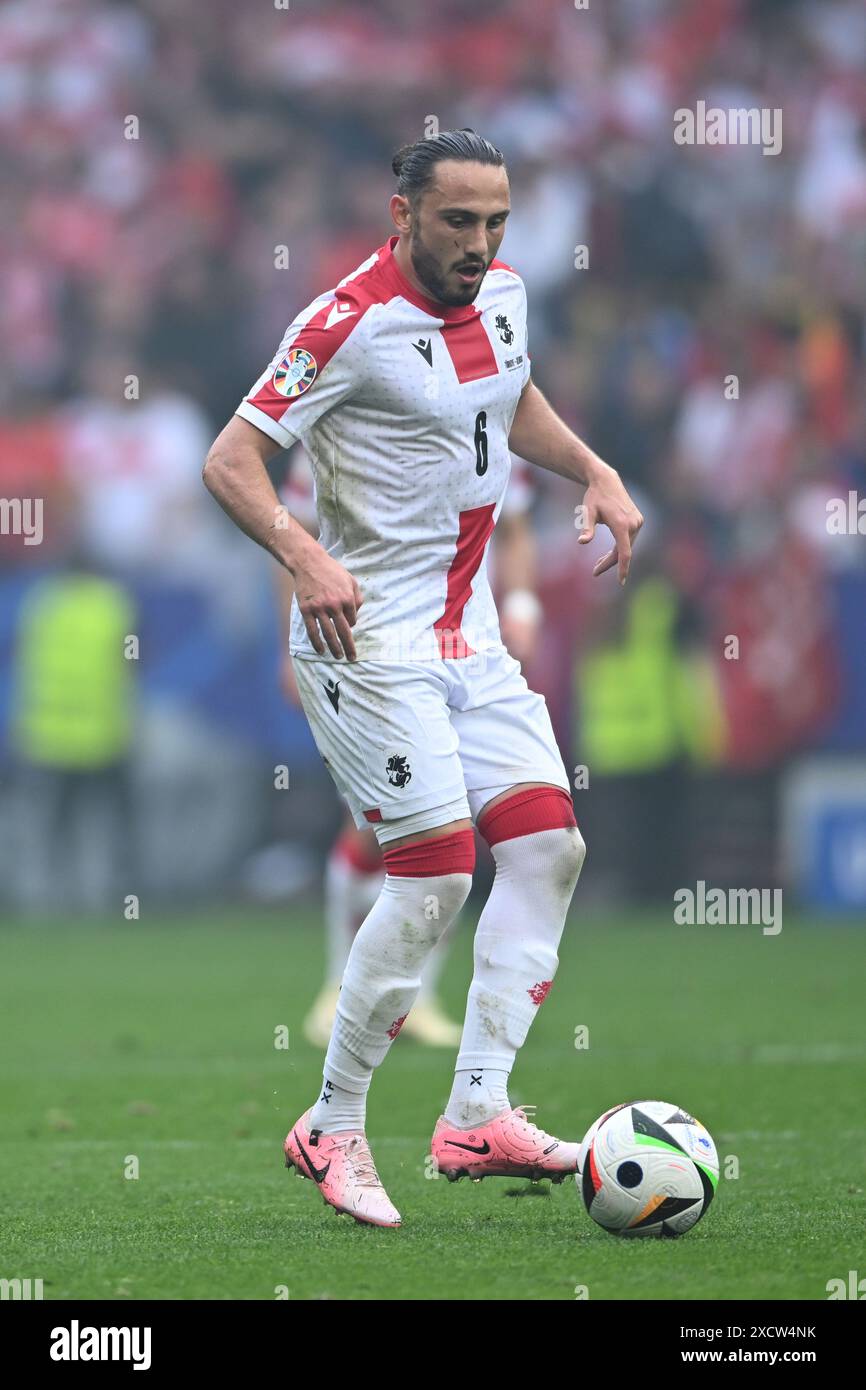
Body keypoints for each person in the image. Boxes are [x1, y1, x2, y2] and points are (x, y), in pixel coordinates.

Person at [203, 129, 643, 1228]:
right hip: (369, 642)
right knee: (438, 871)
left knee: (547, 847)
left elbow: (511, 397)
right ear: (400, 214)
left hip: (470, 635)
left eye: (494, 221)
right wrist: (303, 556)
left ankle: (475, 1112)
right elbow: (230, 458)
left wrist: (592, 468)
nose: (478, 242)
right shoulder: (339, 324)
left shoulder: (504, 295)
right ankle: (331, 1123)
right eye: (457, 221)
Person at [272, 445, 544, 1048]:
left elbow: (516, 527)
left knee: (455, 832)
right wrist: (285, 637)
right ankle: (339, 987)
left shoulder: (490, 417)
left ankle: (417, 994)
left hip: (469, 651)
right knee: (379, 826)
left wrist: (523, 605)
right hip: (375, 653)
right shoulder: (338, 420)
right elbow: (289, 537)